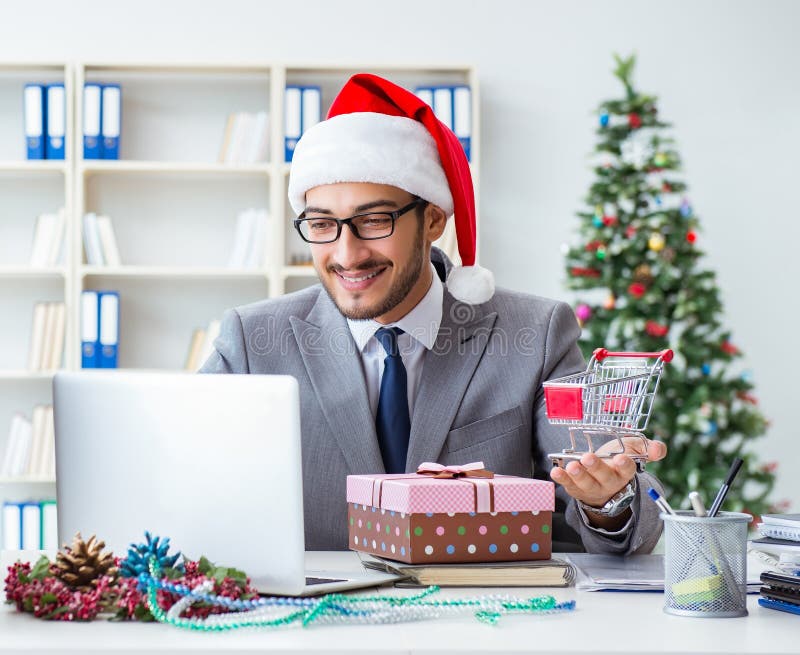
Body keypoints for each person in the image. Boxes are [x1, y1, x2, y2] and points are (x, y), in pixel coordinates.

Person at [201, 73, 667, 553]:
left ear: (433, 220)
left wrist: (607, 499)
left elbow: (624, 520)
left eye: (373, 221)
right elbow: (182, 471)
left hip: (483, 621)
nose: (347, 253)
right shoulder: (252, 341)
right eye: (322, 224)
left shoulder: (534, 334)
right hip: (313, 621)